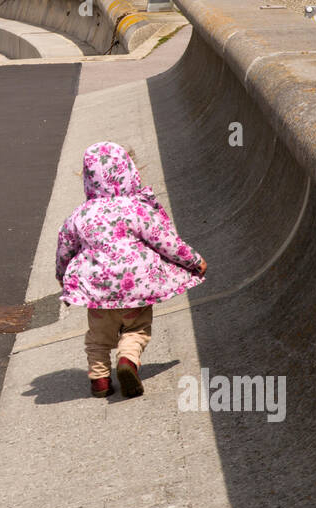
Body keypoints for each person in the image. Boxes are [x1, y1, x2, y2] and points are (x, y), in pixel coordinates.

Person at [55, 142, 207, 398]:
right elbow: (166, 242)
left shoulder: (80, 215)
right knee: (136, 330)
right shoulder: (137, 209)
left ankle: (100, 380)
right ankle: (127, 360)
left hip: (99, 294)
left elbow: (64, 248)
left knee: (98, 338)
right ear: (130, 172)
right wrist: (194, 261)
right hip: (136, 288)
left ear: (89, 179)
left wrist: (62, 277)